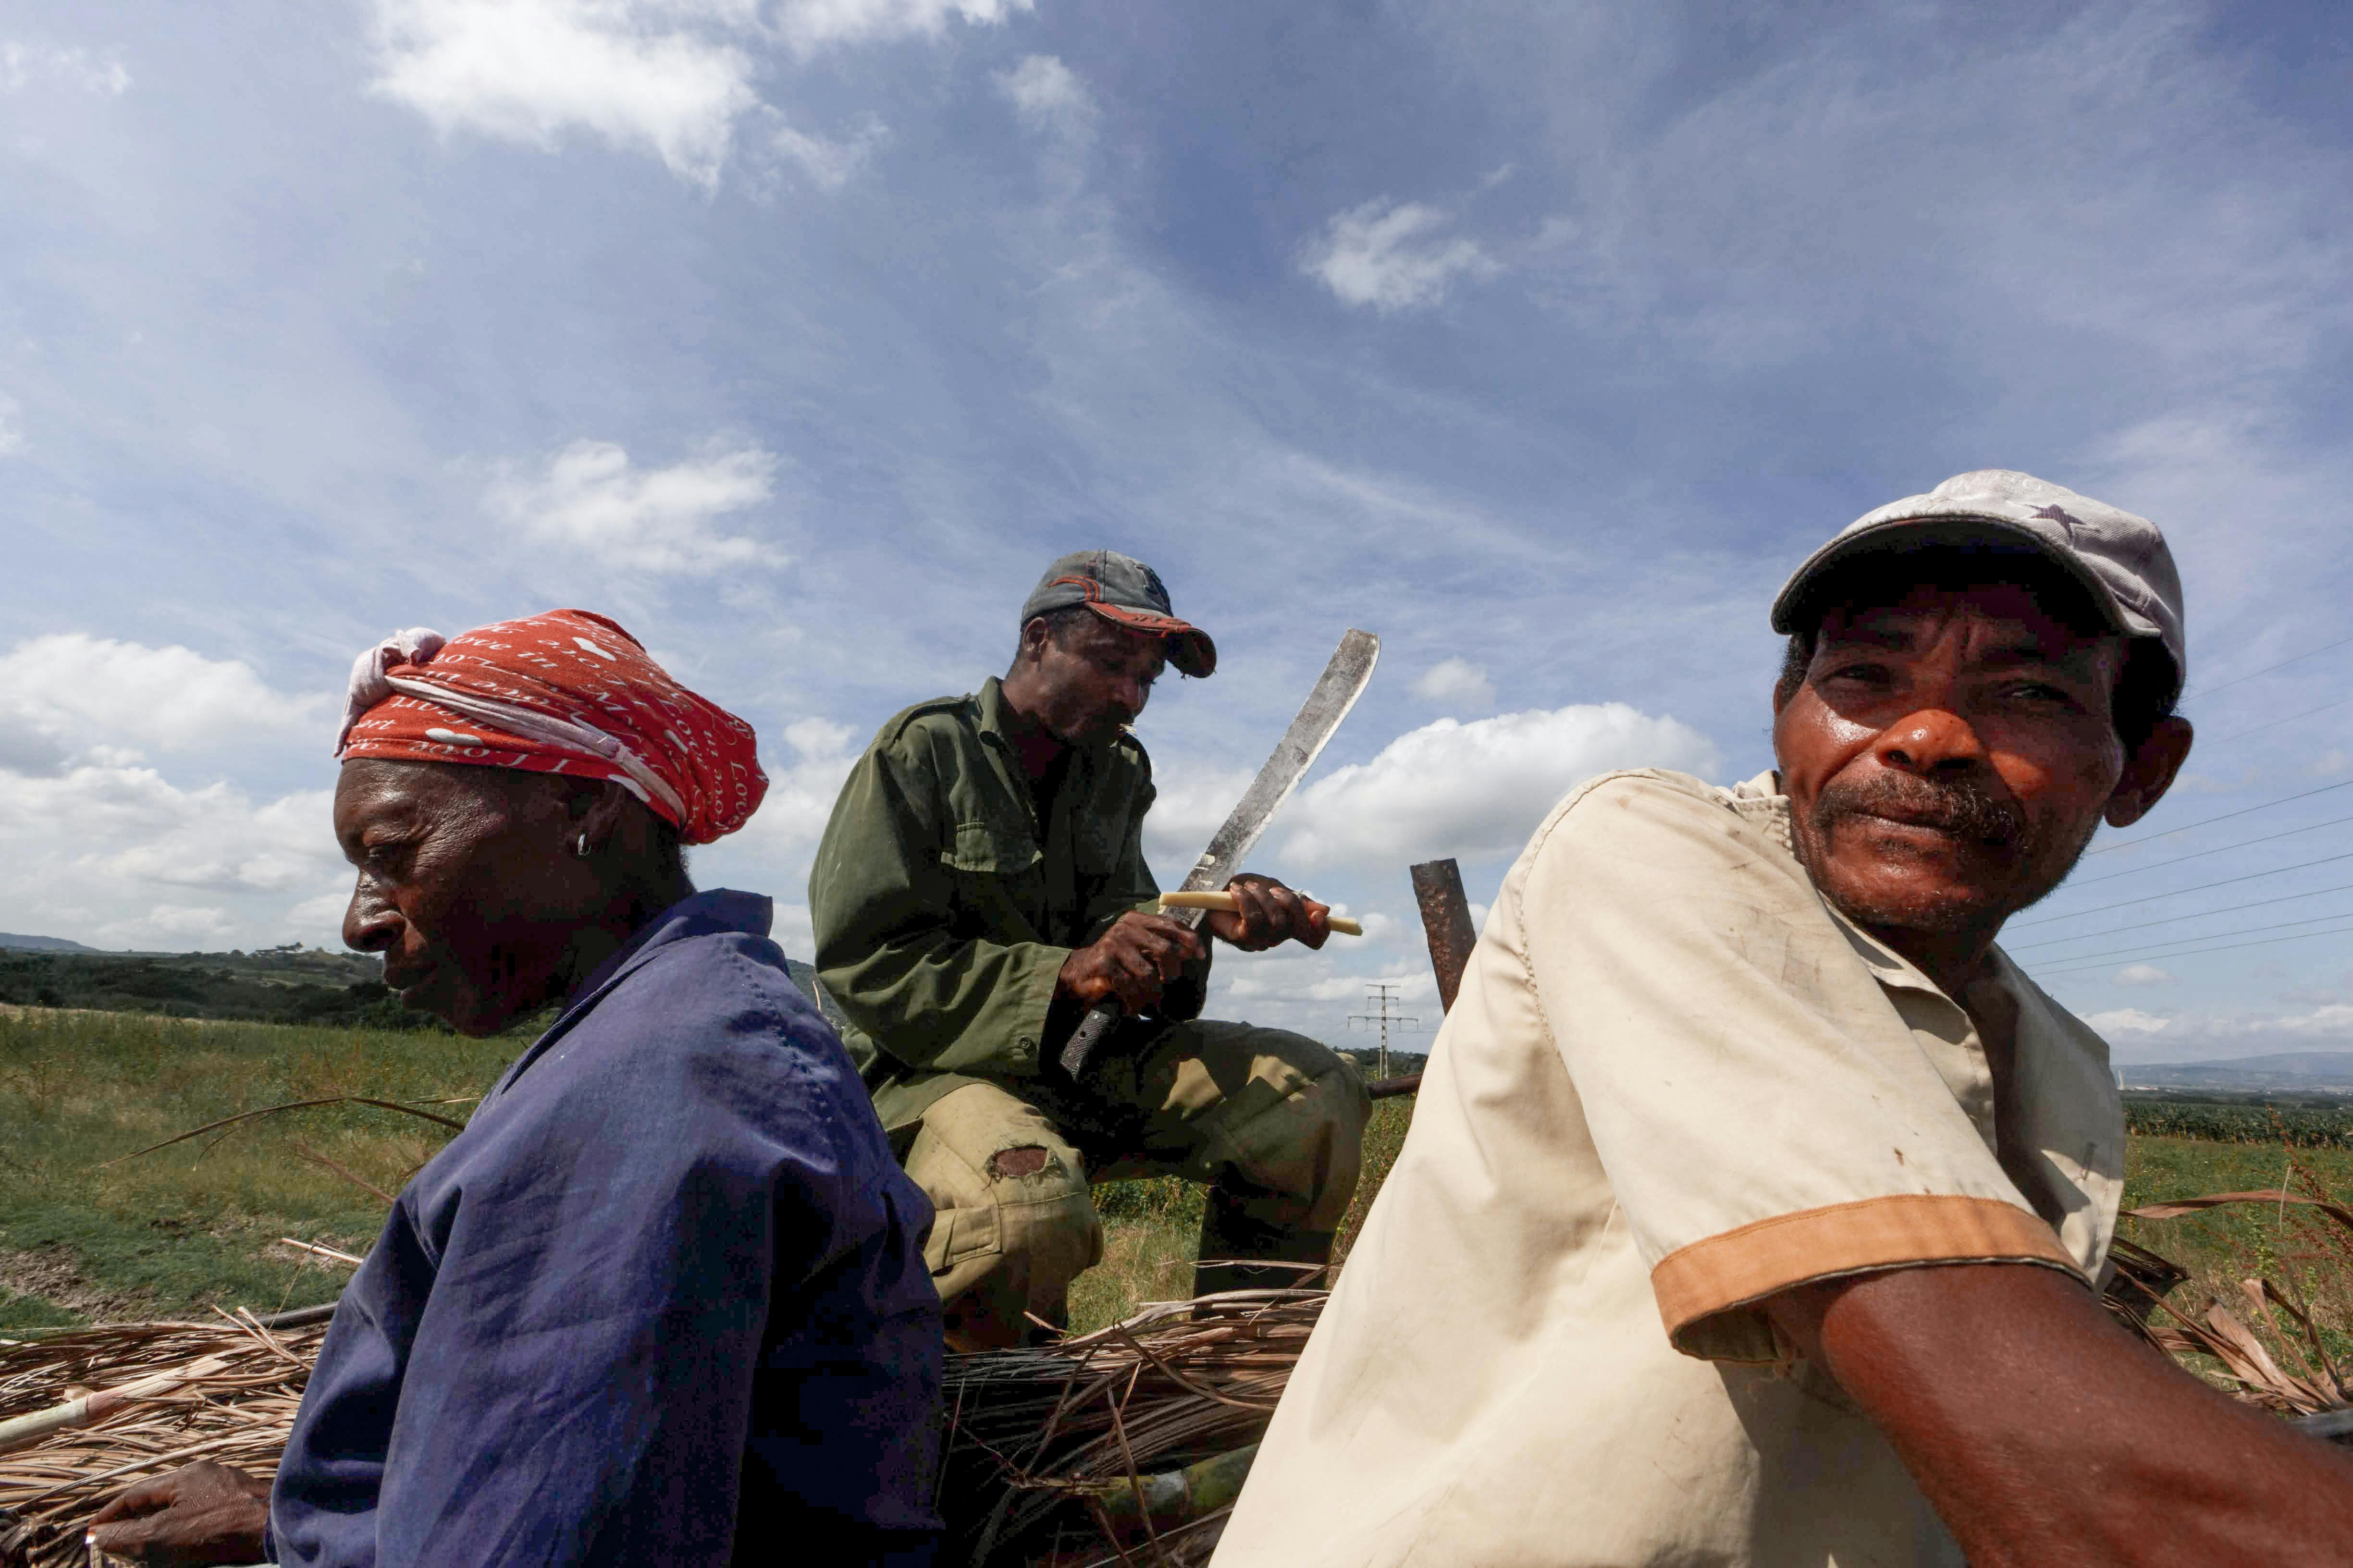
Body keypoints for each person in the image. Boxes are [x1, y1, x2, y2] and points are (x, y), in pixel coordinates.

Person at [1213, 471, 2353, 1565]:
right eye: (1863, 676)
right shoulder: (1644, 853)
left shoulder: (2062, 1065)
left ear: (2141, 770)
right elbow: (2080, 1491)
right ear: (1782, 712)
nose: (1926, 736)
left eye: (2030, 694)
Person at [91, 609, 944, 1568]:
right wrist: (297, 1519)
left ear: (584, 813)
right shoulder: (688, 1022)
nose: (358, 923)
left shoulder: (655, 1083)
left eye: (390, 851)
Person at [808, 551, 1369, 1349]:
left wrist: (1202, 929)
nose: (1131, 698)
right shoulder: (924, 751)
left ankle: (1230, 1378)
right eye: (1112, 666)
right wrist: (1065, 972)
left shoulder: (1116, 770)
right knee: (1025, 1200)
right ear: (1038, 640)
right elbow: (868, 962)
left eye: (1147, 681)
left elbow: (1123, 931)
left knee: (1308, 1094)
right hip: (925, 1073)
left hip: (1079, 1061)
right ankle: (998, 1445)